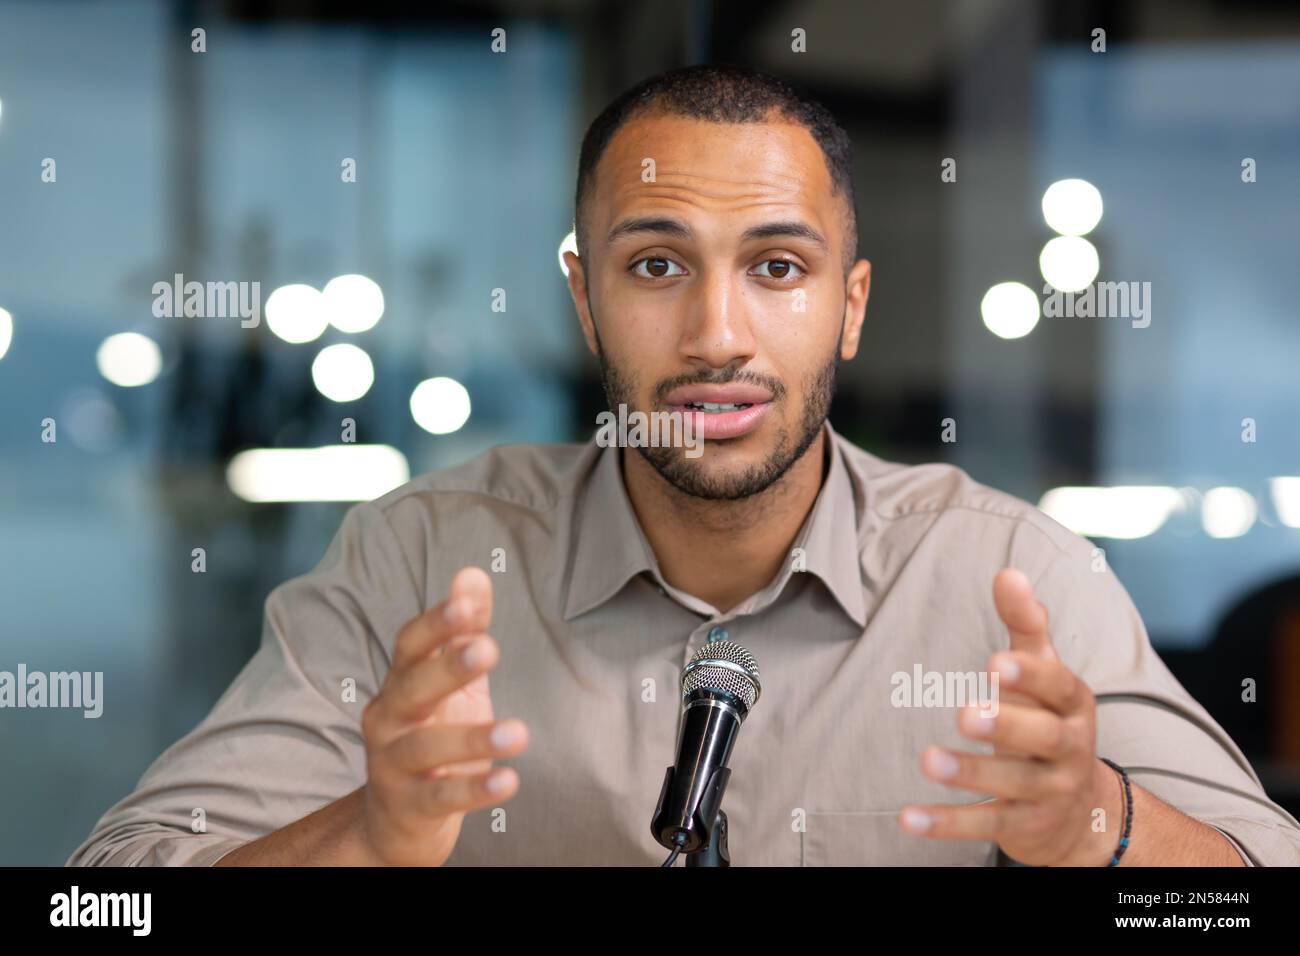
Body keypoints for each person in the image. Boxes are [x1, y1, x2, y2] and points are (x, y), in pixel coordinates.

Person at [69, 64, 1300, 867]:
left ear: (851, 306)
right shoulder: (427, 559)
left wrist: (1095, 820)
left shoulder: (1006, 574)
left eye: (776, 267)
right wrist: (363, 834)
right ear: (585, 298)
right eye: (657, 265)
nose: (717, 336)